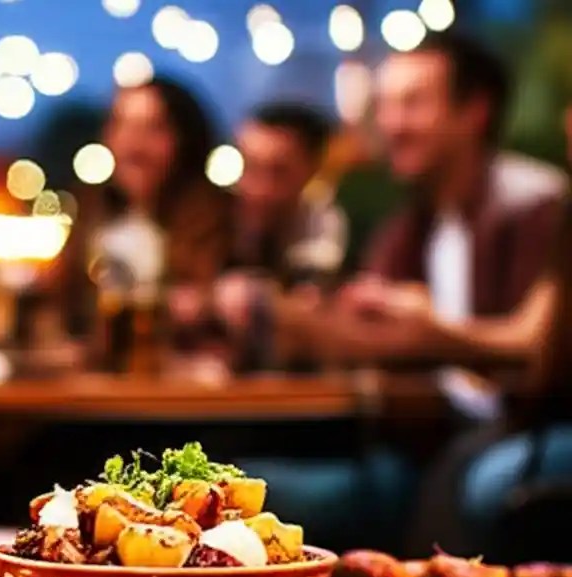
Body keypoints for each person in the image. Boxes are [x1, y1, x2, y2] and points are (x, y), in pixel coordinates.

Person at [340, 31, 566, 422]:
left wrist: (431, 331)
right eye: (385, 106)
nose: (392, 125)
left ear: (474, 111)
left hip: (522, 430)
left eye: (412, 104)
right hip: (438, 430)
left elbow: (537, 357)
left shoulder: (536, 206)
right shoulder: (412, 223)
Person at [59, 77, 233, 368]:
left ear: (184, 139)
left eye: (153, 128)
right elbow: (62, 319)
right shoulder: (91, 217)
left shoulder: (223, 221)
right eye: (122, 125)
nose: (133, 144)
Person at [228, 103, 346, 287]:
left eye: (278, 172)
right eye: (249, 166)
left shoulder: (322, 229)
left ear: (312, 170)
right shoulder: (213, 222)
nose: (258, 189)